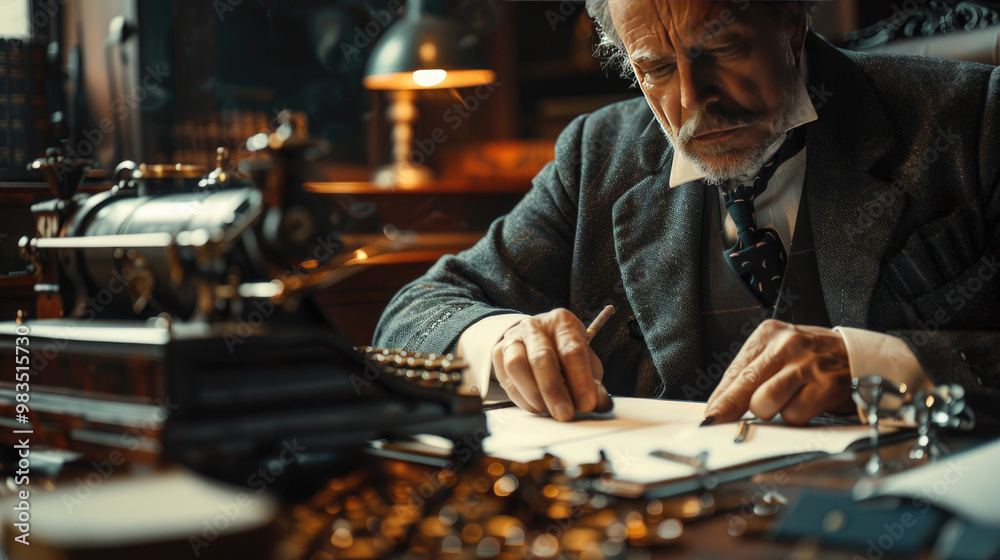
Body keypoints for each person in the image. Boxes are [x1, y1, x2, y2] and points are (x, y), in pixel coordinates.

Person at [374, 1, 1000, 429]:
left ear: (792, 24)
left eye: (722, 49)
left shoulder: (973, 123)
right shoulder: (596, 155)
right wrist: (505, 339)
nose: (693, 103)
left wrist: (878, 367)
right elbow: (415, 314)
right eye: (657, 68)